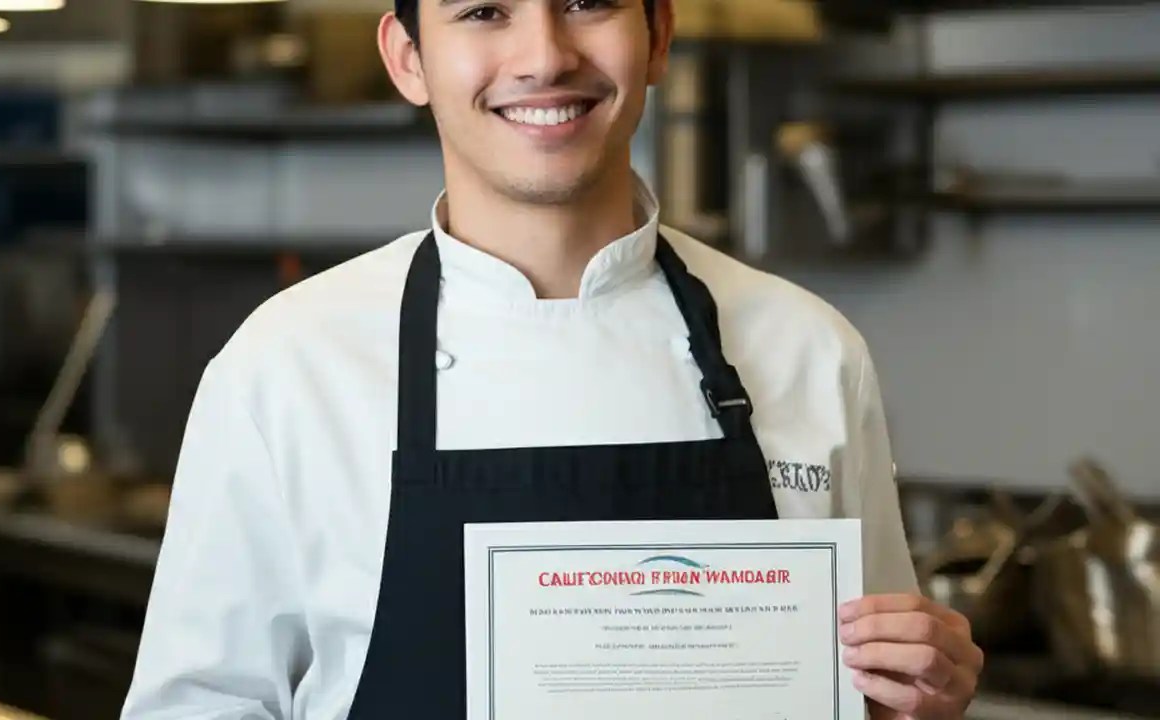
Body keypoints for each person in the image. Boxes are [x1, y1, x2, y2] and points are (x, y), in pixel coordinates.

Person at [120, 0, 983, 718]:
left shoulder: (809, 350)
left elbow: (874, 692)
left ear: (659, 35)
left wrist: (920, 697)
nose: (544, 55)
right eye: (485, 12)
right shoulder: (288, 365)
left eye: (588, 3)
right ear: (408, 57)